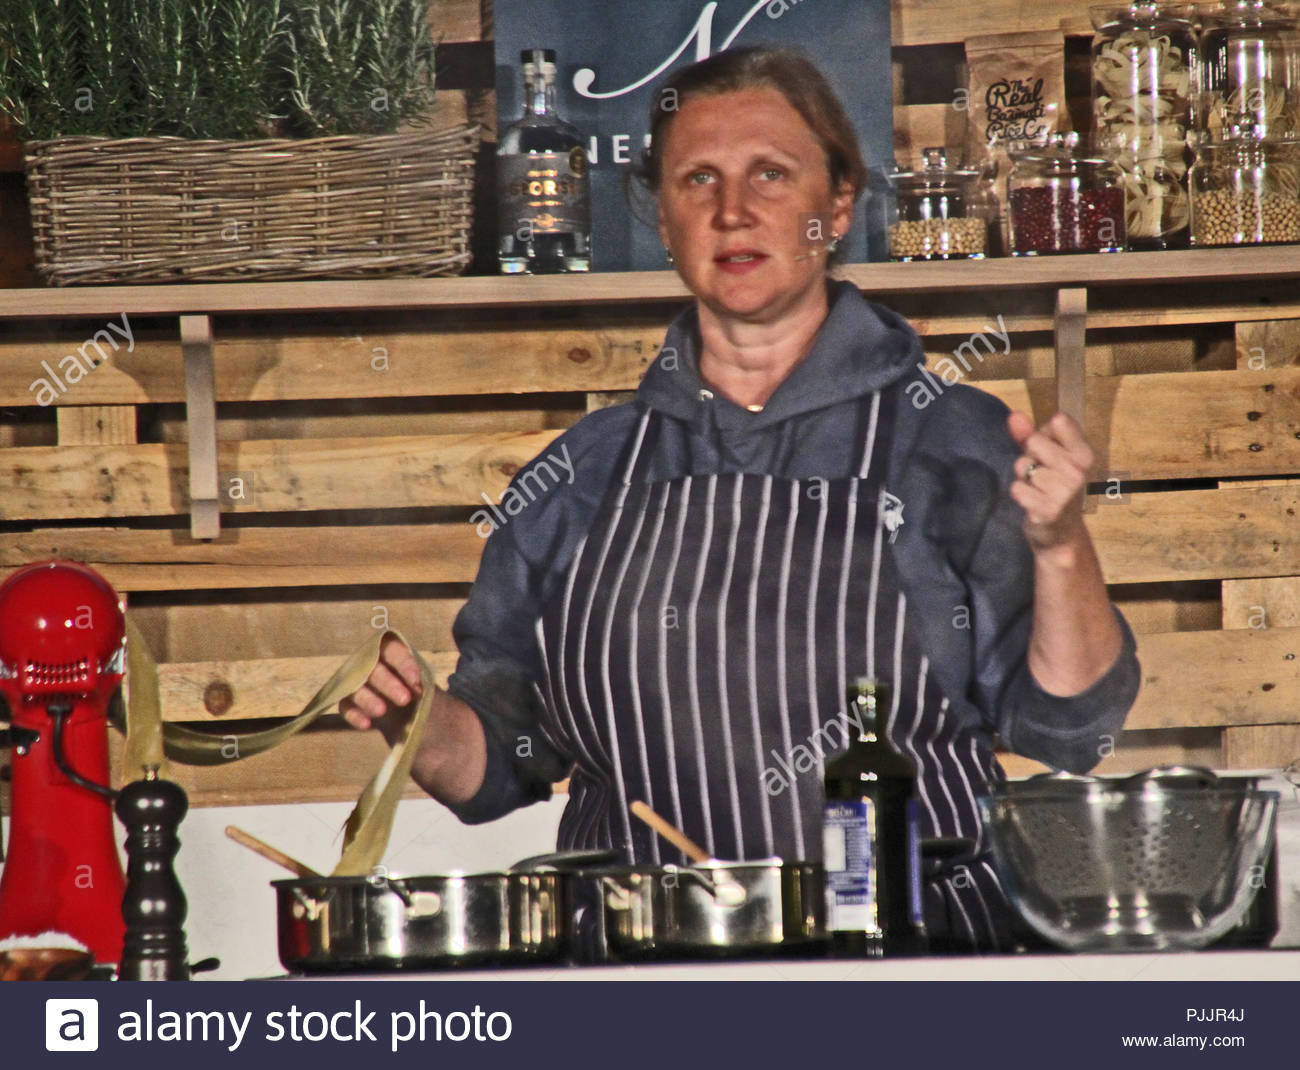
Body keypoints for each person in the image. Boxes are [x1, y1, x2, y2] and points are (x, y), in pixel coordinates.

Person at [340, 47, 1140, 951]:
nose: (733, 211)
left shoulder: (950, 440)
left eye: (771, 174)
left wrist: (1064, 547)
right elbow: (497, 762)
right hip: (643, 976)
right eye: (698, 180)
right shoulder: (585, 473)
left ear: (836, 205)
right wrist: (417, 724)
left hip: (917, 964)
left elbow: (1073, 727)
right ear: (664, 217)